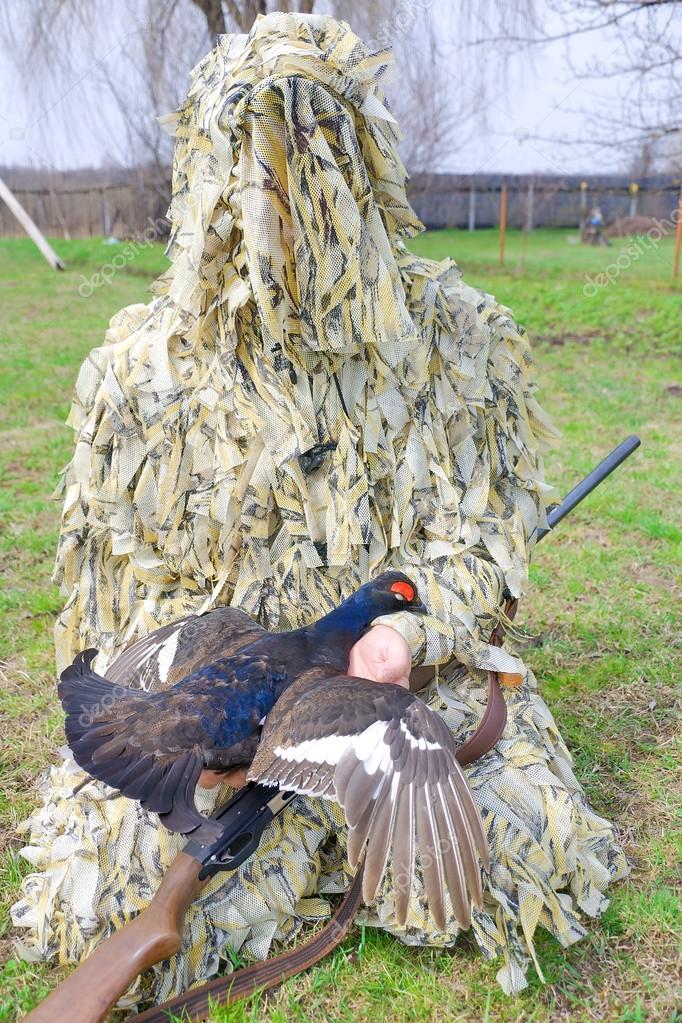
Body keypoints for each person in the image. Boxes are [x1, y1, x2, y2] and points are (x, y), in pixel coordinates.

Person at [11, 12, 627, 1007]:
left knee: (515, 861)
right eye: (251, 179)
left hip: (392, 695)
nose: (280, 212)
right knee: (106, 890)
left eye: (312, 175)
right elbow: (109, 598)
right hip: (202, 711)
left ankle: (341, 836)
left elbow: (477, 540)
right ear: (204, 187)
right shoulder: (133, 376)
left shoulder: (458, 343)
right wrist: (192, 714)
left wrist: (406, 630)